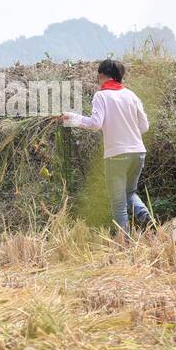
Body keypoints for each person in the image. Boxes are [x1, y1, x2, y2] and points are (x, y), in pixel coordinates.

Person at [57, 59, 152, 239]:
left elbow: (95, 124)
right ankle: (145, 216)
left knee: (118, 202)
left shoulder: (101, 96)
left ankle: (124, 242)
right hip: (138, 152)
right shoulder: (132, 95)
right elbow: (144, 126)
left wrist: (71, 118)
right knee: (129, 192)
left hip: (116, 155)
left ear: (101, 75)